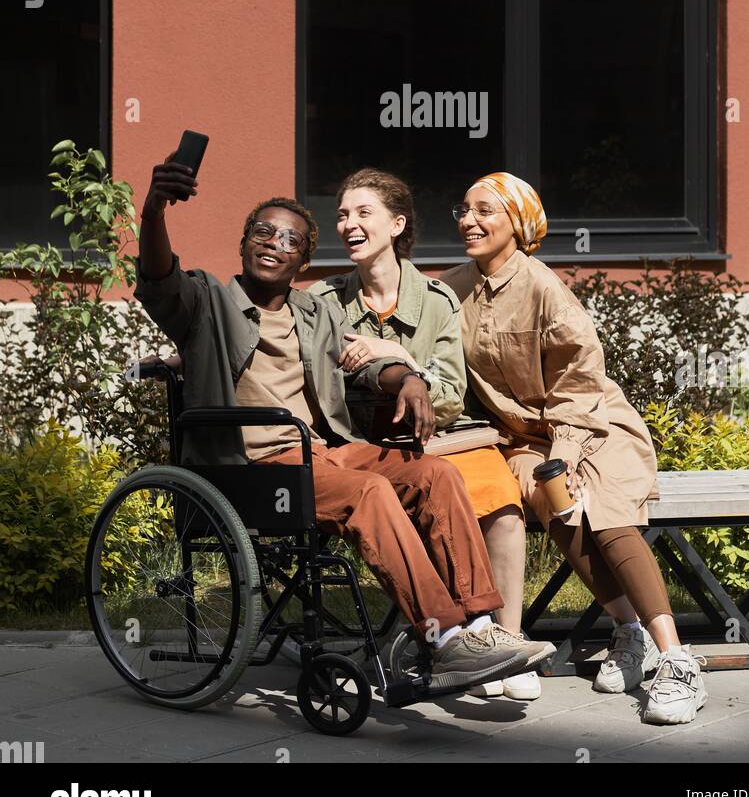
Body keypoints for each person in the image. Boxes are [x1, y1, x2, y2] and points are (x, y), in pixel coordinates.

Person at [132, 150, 547, 698]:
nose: (273, 244)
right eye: (263, 232)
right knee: (370, 491)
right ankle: (442, 638)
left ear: (304, 261)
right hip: (253, 468)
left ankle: (477, 628)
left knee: (432, 475)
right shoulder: (204, 301)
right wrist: (156, 207)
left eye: (290, 240)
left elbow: (365, 360)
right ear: (244, 242)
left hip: (323, 452)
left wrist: (408, 379)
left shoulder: (316, 311)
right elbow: (158, 275)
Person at [440, 172, 708, 725]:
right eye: (464, 210)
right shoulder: (451, 288)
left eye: (485, 210)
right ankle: (629, 633)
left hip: (591, 424)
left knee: (602, 512)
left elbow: (581, 377)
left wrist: (565, 452)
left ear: (517, 223)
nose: (469, 220)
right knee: (547, 501)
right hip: (519, 437)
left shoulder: (542, 287)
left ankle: (678, 659)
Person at [310, 168, 553, 701]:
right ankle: (459, 638)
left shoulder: (437, 299)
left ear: (397, 224)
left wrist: (398, 357)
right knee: (406, 489)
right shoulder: (324, 301)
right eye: (342, 216)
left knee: (501, 503)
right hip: (365, 448)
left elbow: (447, 396)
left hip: (440, 437)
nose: (349, 225)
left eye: (363, 213)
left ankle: (502, 640)